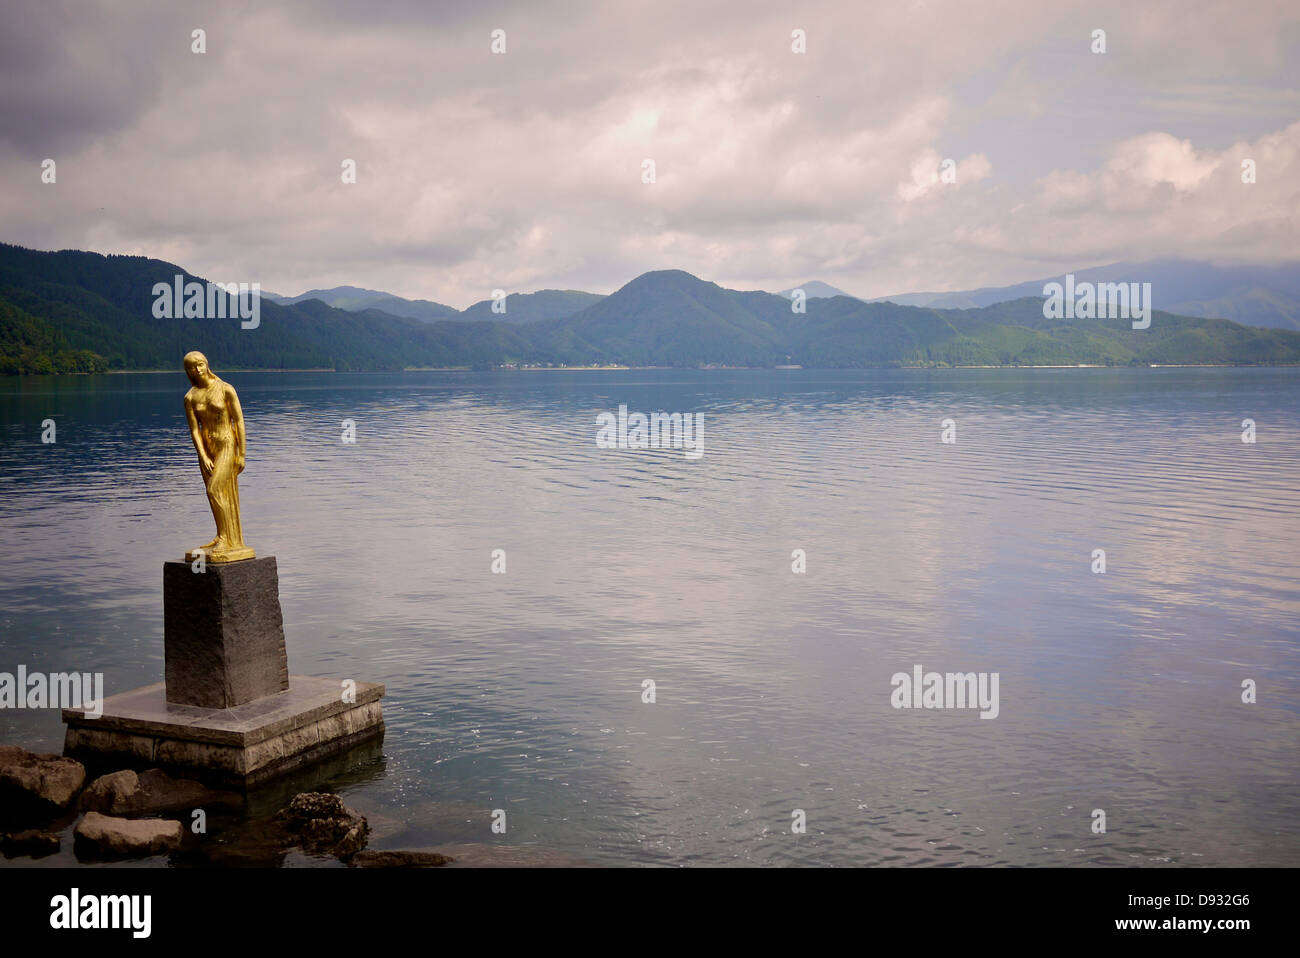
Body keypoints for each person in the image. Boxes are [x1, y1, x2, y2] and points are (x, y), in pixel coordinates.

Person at [182, 351, 254, 562]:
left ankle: (225, 537)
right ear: (188, 371)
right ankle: (224, 535)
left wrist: (242, 453)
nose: (197, 369)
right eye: (192, 367)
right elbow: (194, 430)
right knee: (213, 494)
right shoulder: (190, 397)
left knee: (213, 489)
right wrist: (202, 455)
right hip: (207, 449)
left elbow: (239, 421)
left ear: (206, 364)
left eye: (200, 364)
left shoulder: (225, 389)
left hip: (226, 445)